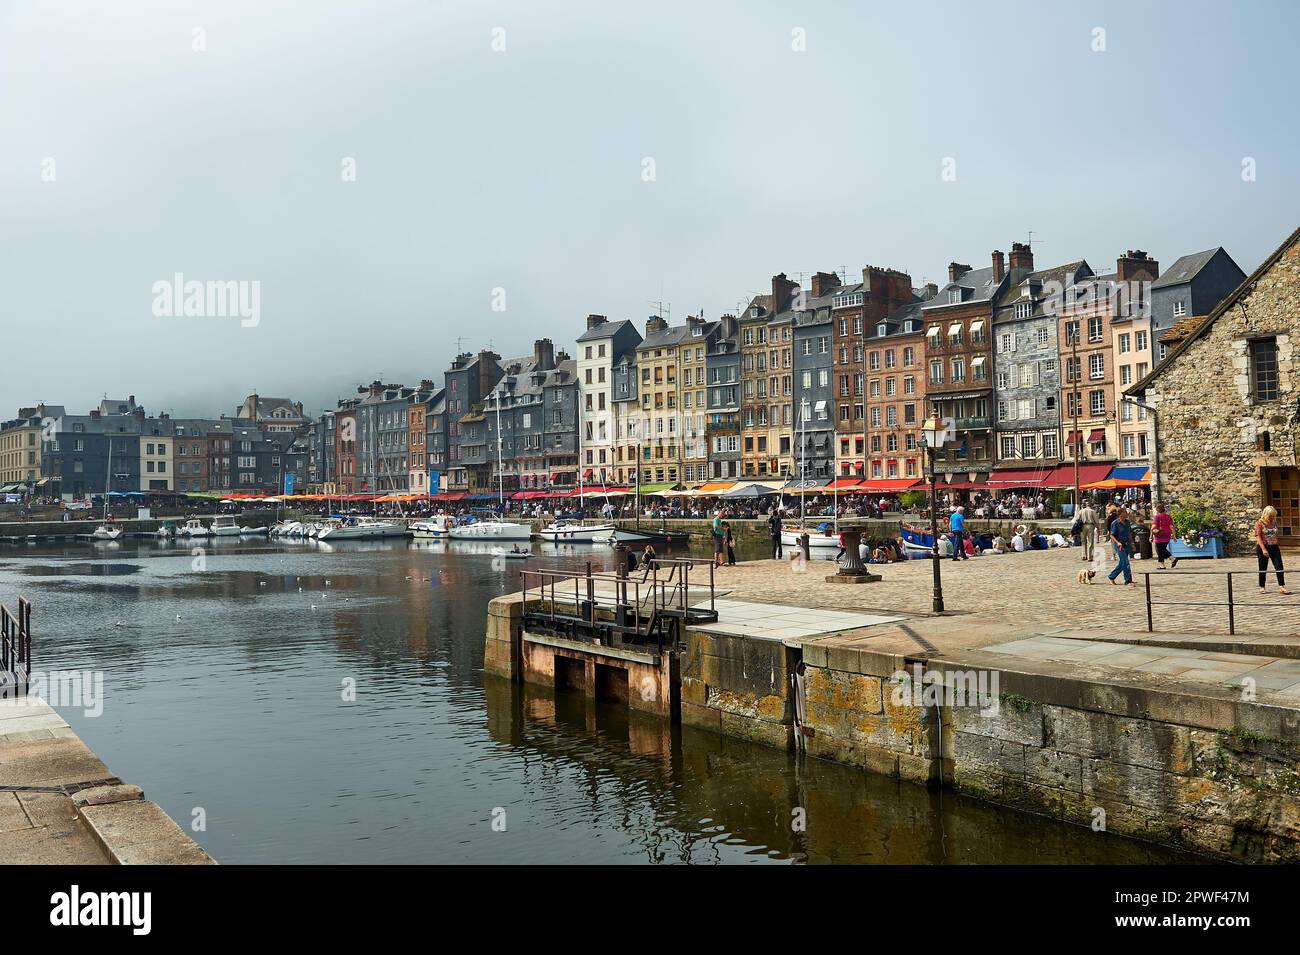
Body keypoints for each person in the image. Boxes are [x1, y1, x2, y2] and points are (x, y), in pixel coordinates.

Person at [1254, 506, 1289, 594]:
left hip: (1274, 546)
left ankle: (1282, 586)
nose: (1272, 518)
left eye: (1273, 516)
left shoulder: (1274, 522)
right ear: (1266, 514)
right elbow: (1257, 536)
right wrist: (1263, 549)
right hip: (1263, 546)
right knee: (1263, 567)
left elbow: (1275, 533)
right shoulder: (1259, 523)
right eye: (1270, 516)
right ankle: (1262, 586)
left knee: (1279, 566)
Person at [1107, 507, 1133, 586]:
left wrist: (1132, 544)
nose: (1127, 513)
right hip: (1119, 545)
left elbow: (1129, 533)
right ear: (1121, 514)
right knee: (1125, 562)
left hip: (1126, 544)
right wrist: (1118, 542)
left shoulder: (1127, 522)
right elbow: (1111, 535)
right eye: (1125, 512)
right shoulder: (1115, 523)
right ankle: (1127, 580)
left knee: (1122, 563)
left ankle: (1112, 576)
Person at [1151, 503, 1174, 569]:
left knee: (1159, 550)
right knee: (1162, 549)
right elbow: (1171, 526)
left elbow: (1154, 526)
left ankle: (1162, 564)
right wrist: (1174, 536)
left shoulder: (1157, 517)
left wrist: (1152, 532)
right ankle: (1172, 559)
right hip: (1167, 535)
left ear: (1157, 509)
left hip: (1159, 535)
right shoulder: (1168, 516)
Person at [1078, 499, 1100, 564]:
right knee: (1090, 542)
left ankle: (1084, 555)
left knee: (1083, 541)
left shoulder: (1081, 511)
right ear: (1091, 505)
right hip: (1090, 525)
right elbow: (1096, 520)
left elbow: (1078, 519)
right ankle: (1090, 556)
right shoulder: (1092, 511)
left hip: (1082, 526)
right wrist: (1097, 527)